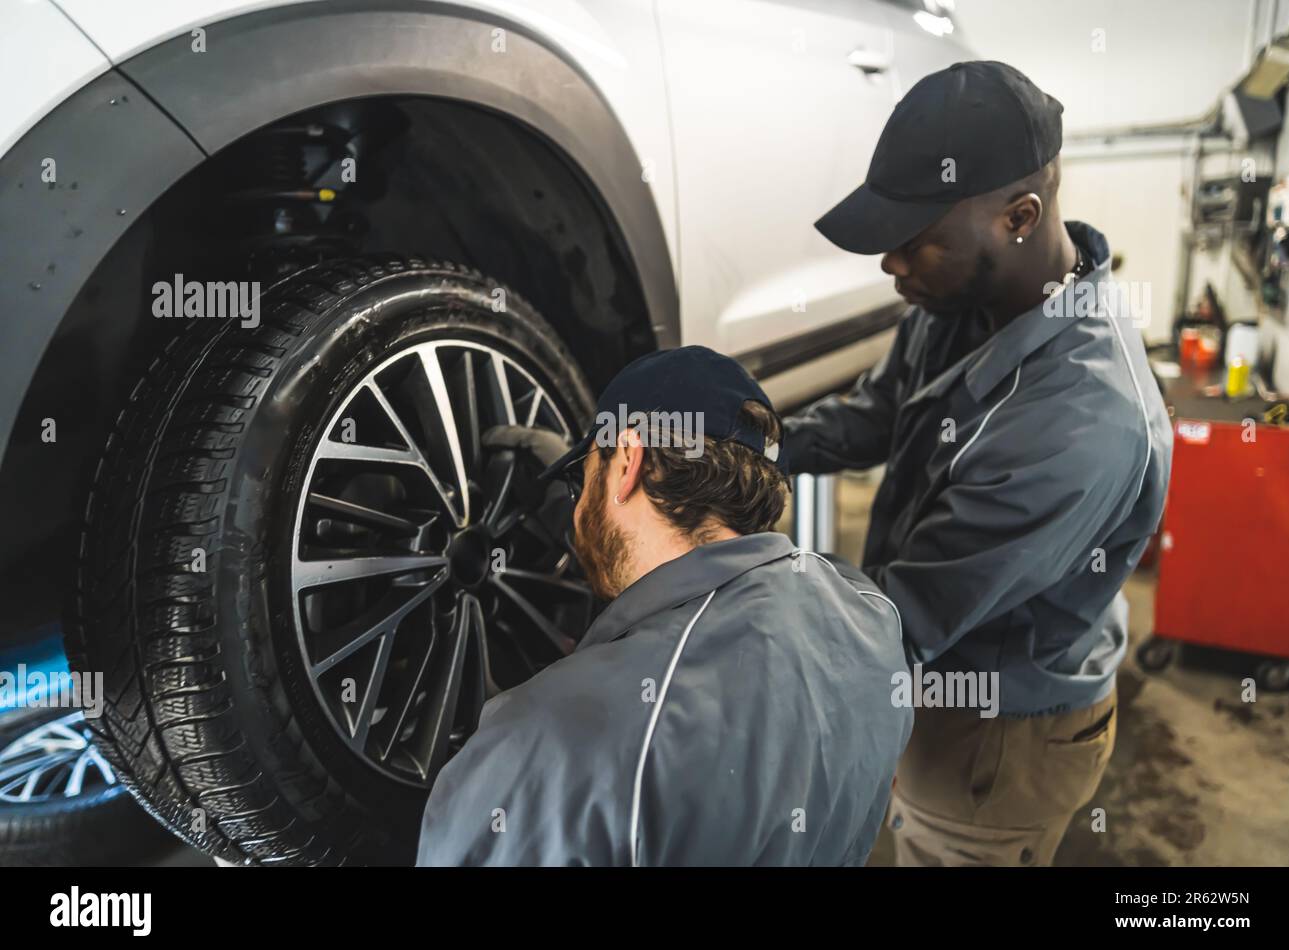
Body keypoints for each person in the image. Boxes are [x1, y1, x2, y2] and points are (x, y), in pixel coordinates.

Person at [783, 61, 1173, 866]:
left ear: (1019, 216)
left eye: (914, 244)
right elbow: (883, 411)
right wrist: (752, 443)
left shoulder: (1081, 422)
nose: (892, 267)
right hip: (935, 679)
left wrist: (699, 614)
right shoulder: (961, 297)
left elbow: (903, 618)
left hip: (997, 743)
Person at [417, 346, 911, 865]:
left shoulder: (542, 743)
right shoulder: (871, 618)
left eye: (579, 480)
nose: (576, 506)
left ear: (628, 460)